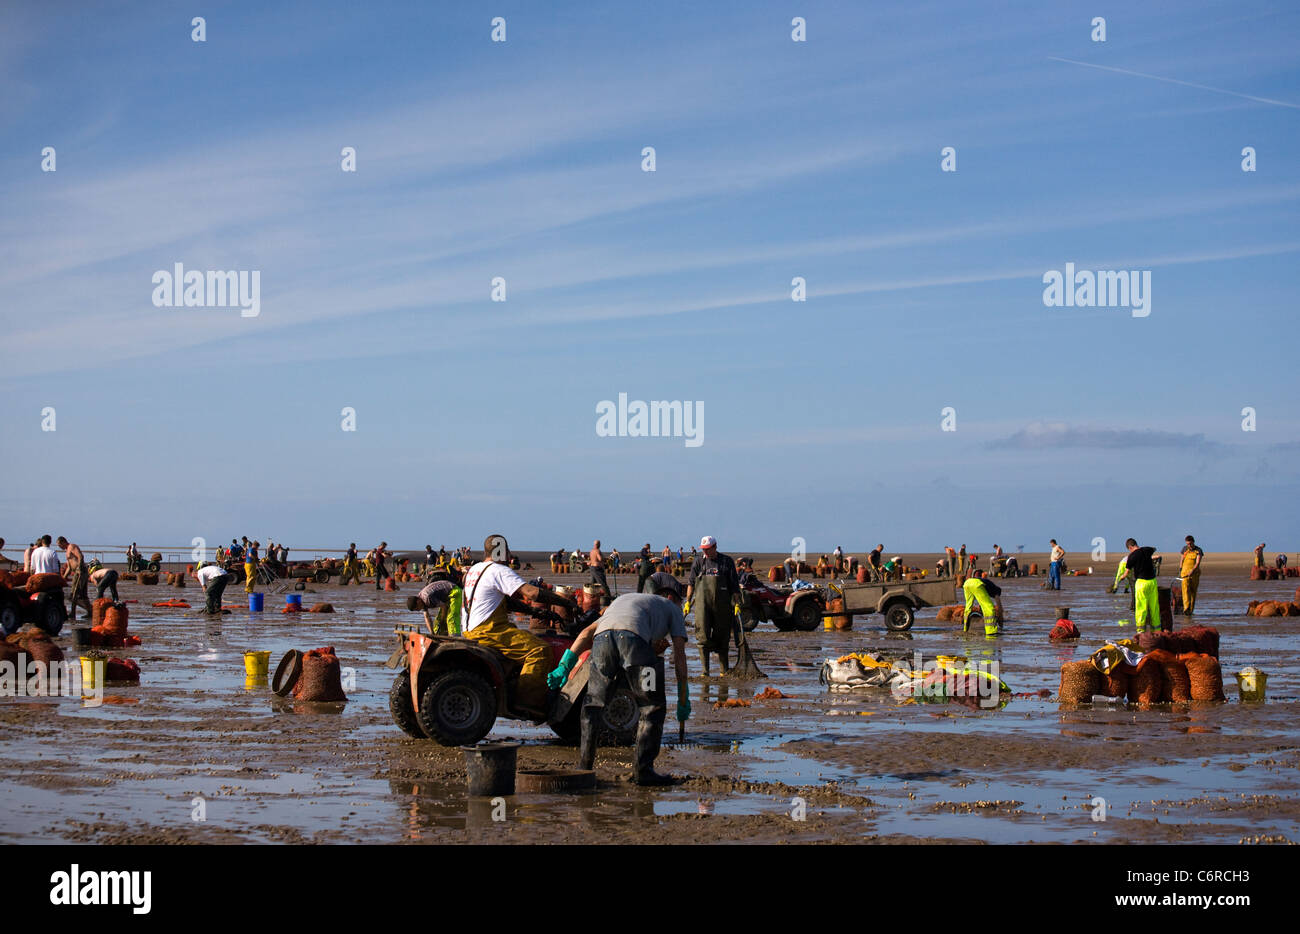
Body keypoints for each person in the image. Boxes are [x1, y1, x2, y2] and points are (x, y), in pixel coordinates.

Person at [577, 583, 690, 786]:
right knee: (651, 707)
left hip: (602, 640)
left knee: (592, 705)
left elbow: (586, 633)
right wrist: (683, 692)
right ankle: (643, 771)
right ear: (672, 598)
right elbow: (679, 654)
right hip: (633, 639)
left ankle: (584, 768)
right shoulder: (673, 609)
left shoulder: (624, 601)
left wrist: (564, 664)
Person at [461, 534, 575, 715]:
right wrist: (566, 603)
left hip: (470, 630)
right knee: (540, 651)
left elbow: (505, 602)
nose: (510, 555)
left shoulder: (474, 570)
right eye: (507, 551)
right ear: (501, 551)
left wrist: (536, 612)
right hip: (489, 631)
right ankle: (528, 703)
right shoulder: (497, 570)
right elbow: (530, 593)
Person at [685, 535, 741, 677]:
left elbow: (734, 585)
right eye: (703, 549)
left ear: (715, 547)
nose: (705, 552)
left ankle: (724, 670)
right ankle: (705, 671)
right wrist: (687, 602)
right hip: (703, 606)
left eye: (708, 549)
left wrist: (737, 602)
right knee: (702, 638)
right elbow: (691, 583)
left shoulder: (726, 562)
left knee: (722, 638)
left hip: (722, 607)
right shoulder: (698, 562)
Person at [406, 570, 463, 636]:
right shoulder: (421, 600)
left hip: (454, 591)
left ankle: (455, 636)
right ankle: (440, 635)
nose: (419, 610)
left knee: (451, 617)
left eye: (417, 608)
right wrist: (432, 633)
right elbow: (427, 617)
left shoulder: (427, 598)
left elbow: (444, 607)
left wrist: (442, 619)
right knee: (438, 621)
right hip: (445, 597)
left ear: (418, 601)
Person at [1125, 539, 1161, 632]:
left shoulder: (1132, 556)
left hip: (1141, 583)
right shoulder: (1147, 550)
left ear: (1130, 547)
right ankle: (1157, 631)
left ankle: (1141, 632)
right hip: (1152, 582)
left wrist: (1121, 577)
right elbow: (1154, 549)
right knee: (1154, 607)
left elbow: (1127, 572)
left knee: (1141, 608)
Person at [58, 537, 91, 620]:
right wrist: (63, 577)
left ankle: (73, 613)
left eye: (59, 545)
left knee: (74, 593)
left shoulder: (72, 547)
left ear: (63, 542)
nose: (59, 547)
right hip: (77, 572)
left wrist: (79, 568)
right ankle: (90, 612)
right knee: (83, 595)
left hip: (80, 572)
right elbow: (69, 567)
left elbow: (80, 556)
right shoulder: (67, 551)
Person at [962, 570, 1003, 636]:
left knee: (968, 606)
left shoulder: (988, 584)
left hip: (967, 583)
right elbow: (999, 607)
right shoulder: (996, 591)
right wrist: (1001, 623)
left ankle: (965, 629)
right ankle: (991, 631)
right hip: (977, 584)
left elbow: (981, 600)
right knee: (989, 607)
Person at [1179, 535, 1204, 616]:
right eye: (1187, 544)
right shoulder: (1184, 549)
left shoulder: (1198, 550)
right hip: (1184, 574)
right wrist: (1180, 569)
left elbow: (1197, 563)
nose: (1189, 545)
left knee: (1193, 592)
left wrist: (1192, 571)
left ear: (1193, 542)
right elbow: (1182, 559)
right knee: (1185, 591)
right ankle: (1186, 609)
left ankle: (1191, 610)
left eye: (1190, 544)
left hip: (1194, 574)